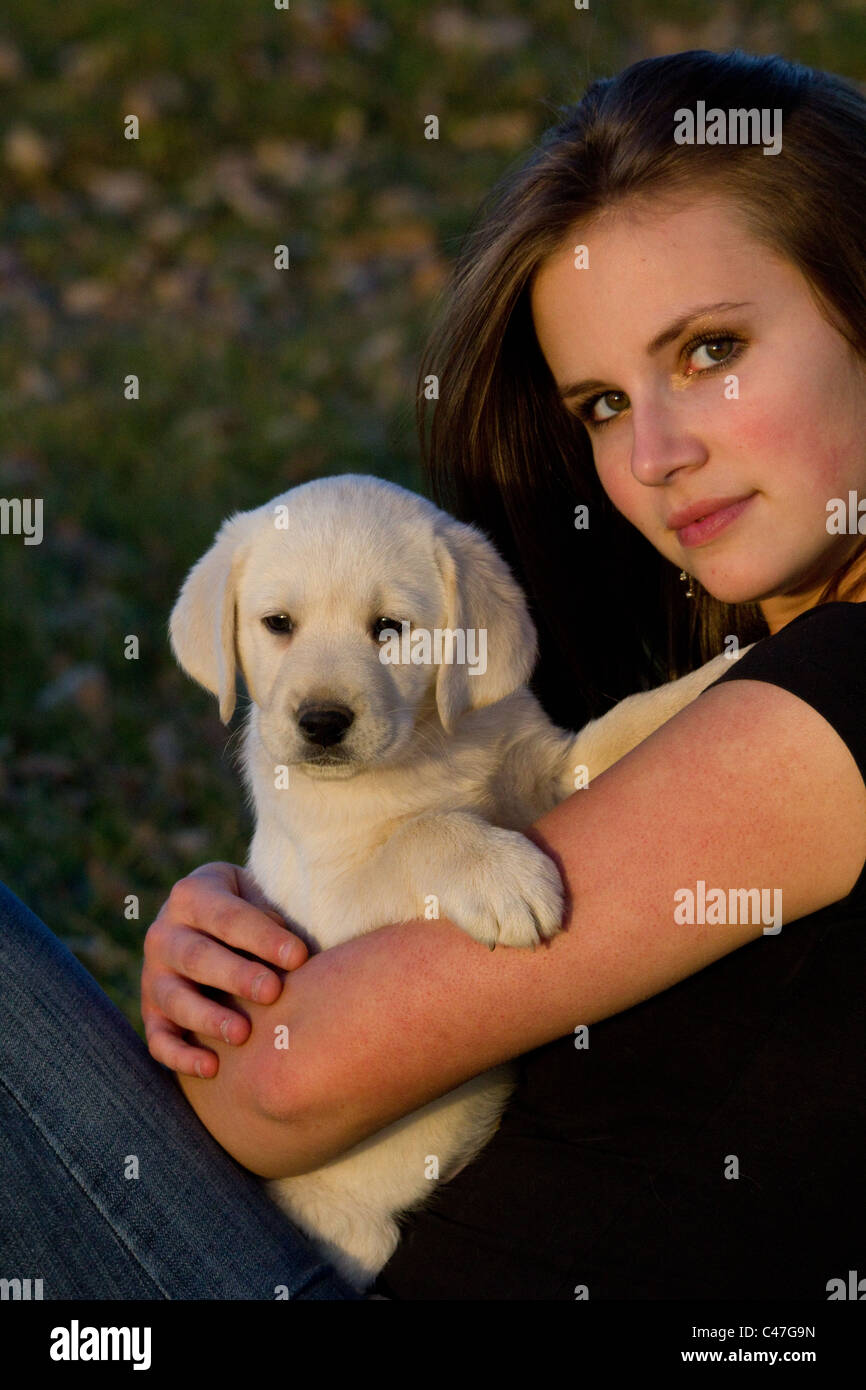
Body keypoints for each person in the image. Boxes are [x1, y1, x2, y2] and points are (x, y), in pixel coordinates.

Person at [3, 49, 865, 1300]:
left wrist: (227, 1034)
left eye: (709, 347)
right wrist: (236, 940)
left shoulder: (828, 707)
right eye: (602, 405)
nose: (657, 453)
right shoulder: (748, 675)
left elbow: (285, 1088)